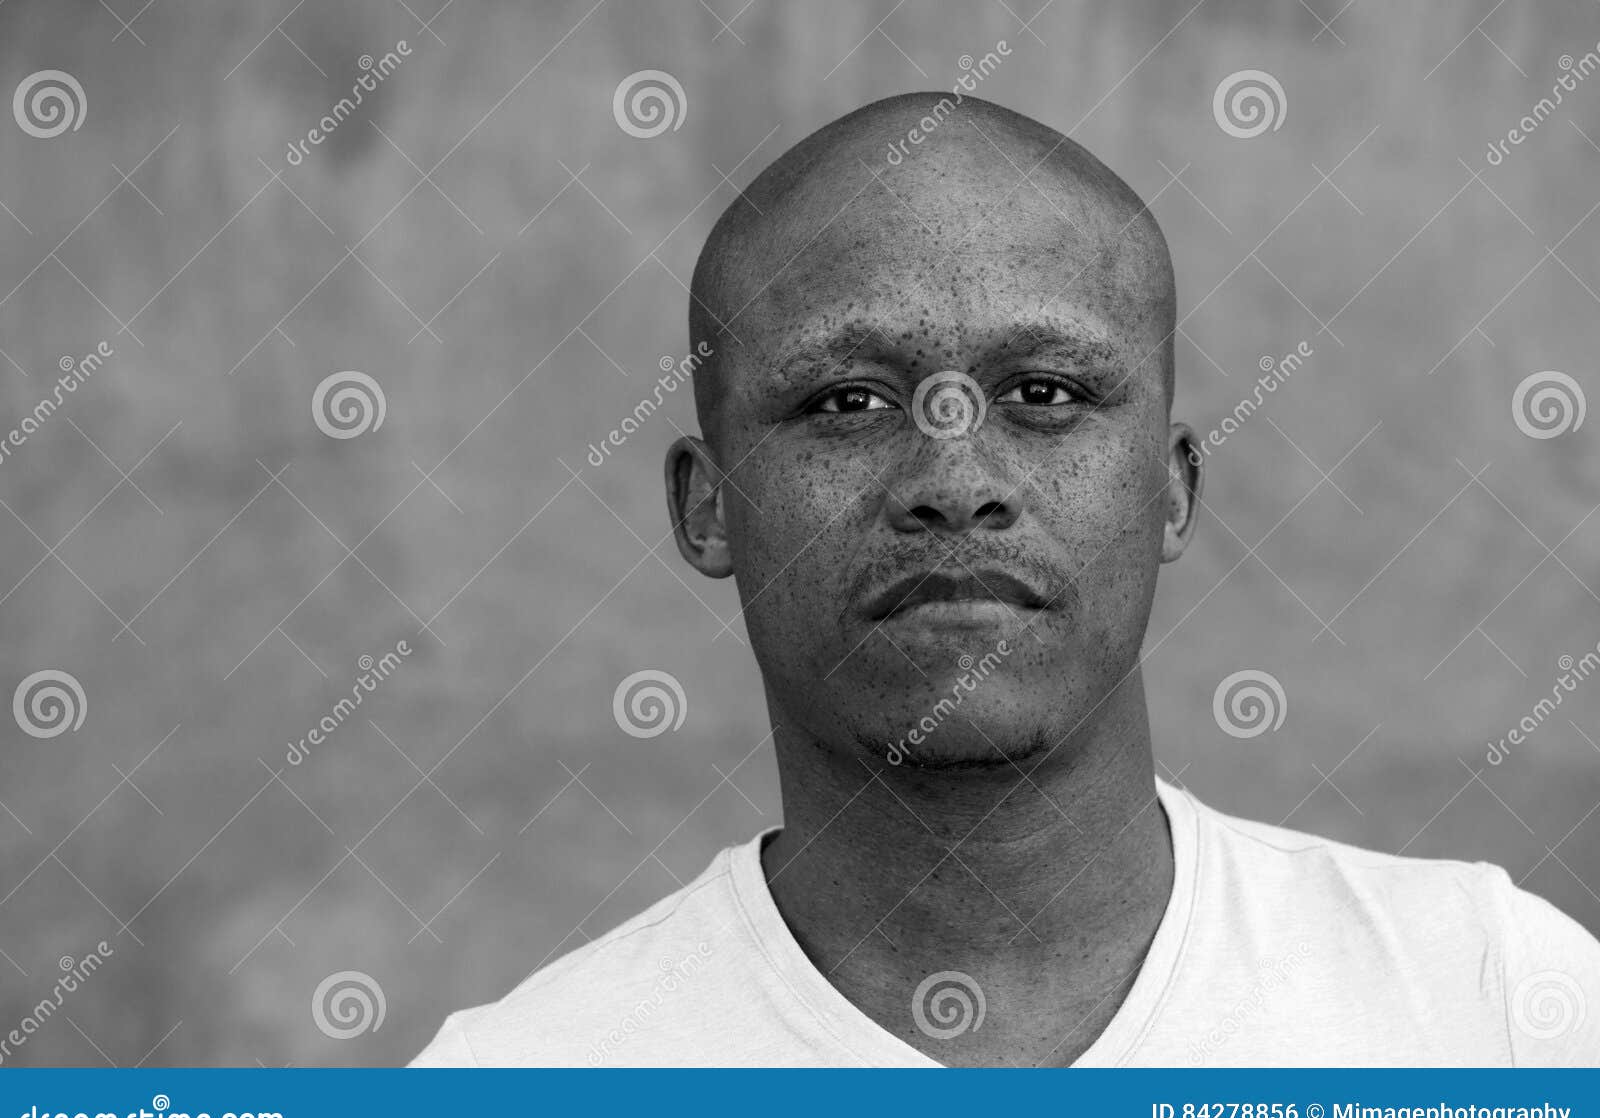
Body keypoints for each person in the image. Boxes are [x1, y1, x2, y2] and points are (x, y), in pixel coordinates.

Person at [411, 93, 1600, 1066]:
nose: (953, 479)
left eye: (1044, 393)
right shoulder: (518, 1088)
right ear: (706, 505)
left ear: (1171, 489)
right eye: (845, 402)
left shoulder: (1497, 1010)